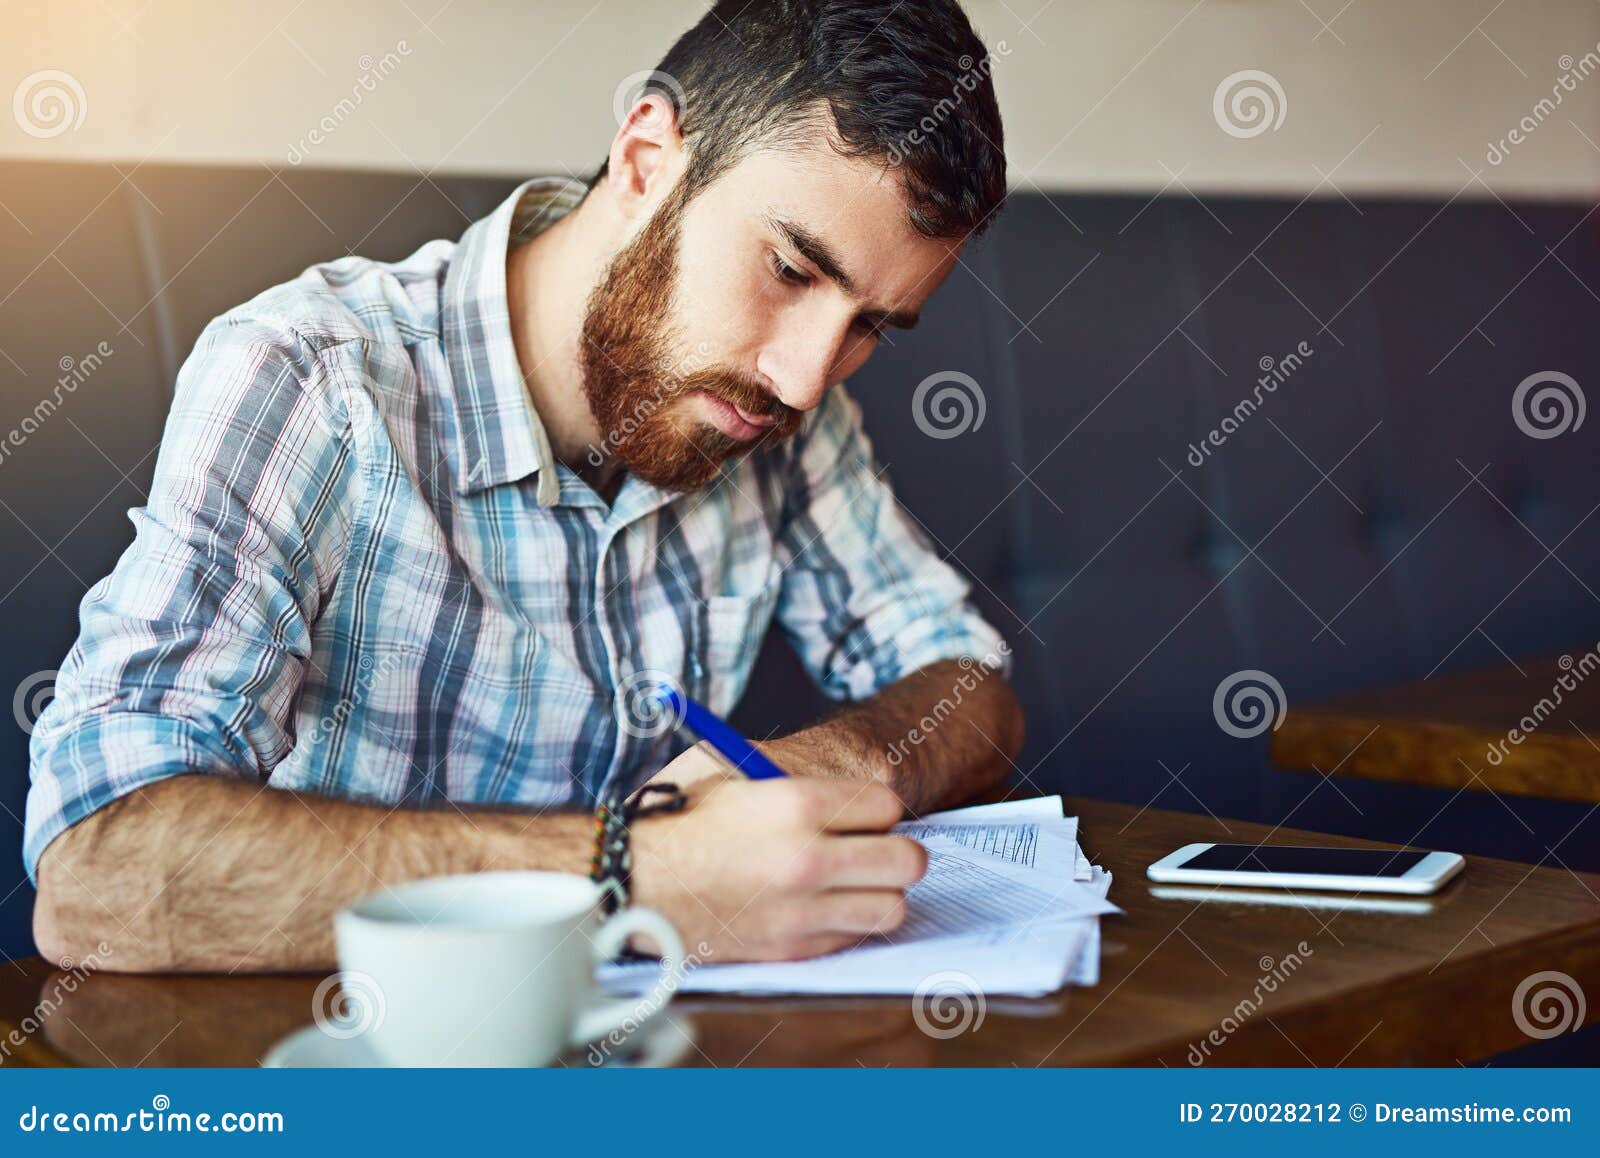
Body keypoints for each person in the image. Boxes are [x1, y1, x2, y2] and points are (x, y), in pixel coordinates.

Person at [25, 0, 1020, 972]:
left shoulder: (779, 419)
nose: (805, 375)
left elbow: (970, 686)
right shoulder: (313, 377)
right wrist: (629, 875)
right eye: (791, 269)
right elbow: (99, 871)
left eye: (869, 328)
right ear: (644, 161)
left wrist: (858, 757)